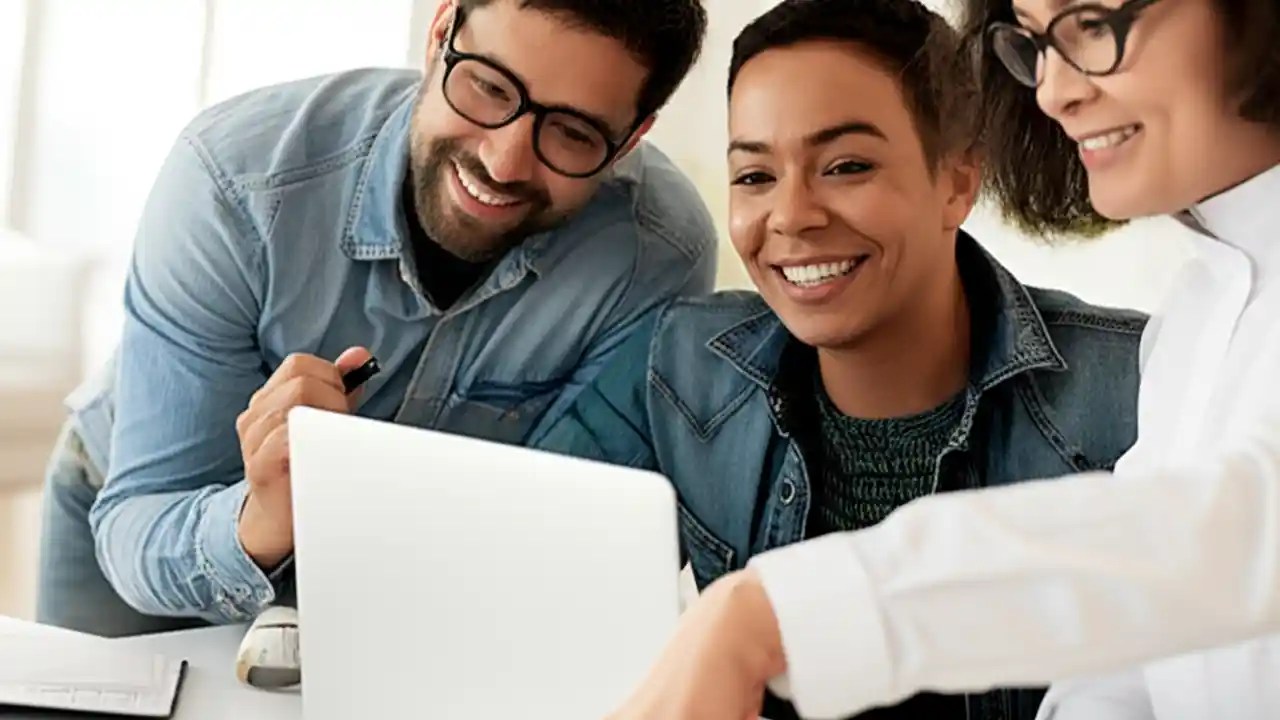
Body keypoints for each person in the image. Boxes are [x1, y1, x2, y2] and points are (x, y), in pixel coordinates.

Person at [605, 0, 1280, 715]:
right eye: (1037, 41)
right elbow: (1134, 667)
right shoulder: (1196, 315)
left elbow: (1229, 530)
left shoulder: (1119, 371)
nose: (1052, 90)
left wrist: (773, 614)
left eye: (1090, 22)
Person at [36, 0, 713, 636]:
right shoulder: (233, 179)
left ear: (630, 141)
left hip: (406, 575)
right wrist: (267, 519)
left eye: (572, 132)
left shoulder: (656, 256)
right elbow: (140, 524)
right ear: (442, 31)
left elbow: (555, 542)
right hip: (155, 529)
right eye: (490, 87)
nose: (503, 162)